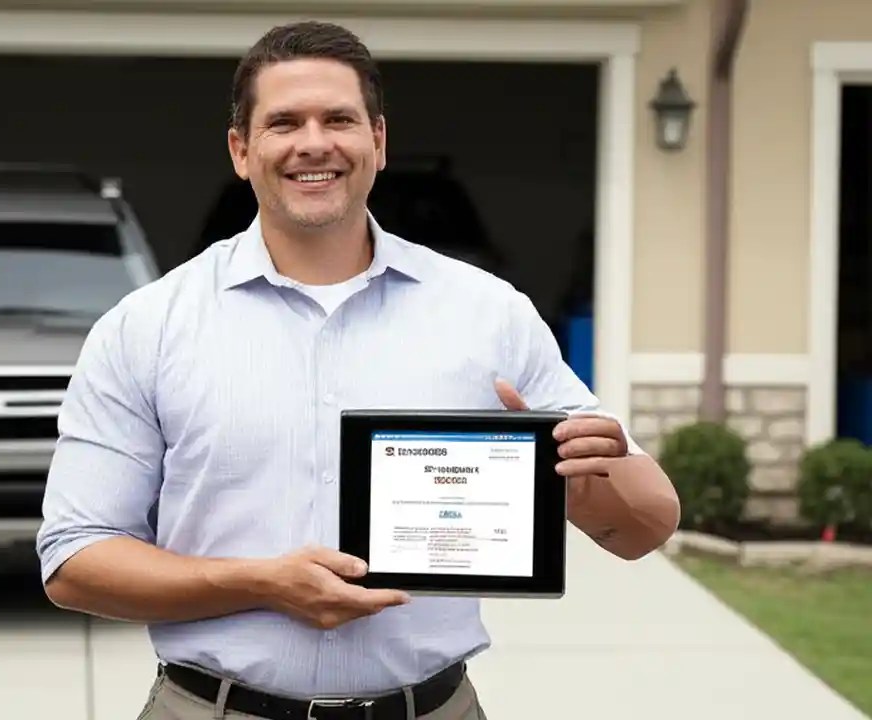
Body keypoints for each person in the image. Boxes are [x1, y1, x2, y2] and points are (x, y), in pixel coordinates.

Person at [36, 20, 680, 719]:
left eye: (338, 118)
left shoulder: (487, 313)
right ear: (241, 149)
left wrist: (586, 486)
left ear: (377, 140)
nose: (314, 142)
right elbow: (76, 562)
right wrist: (263, 583)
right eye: (284, 122)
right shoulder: (148, 327)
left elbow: (645, 527)